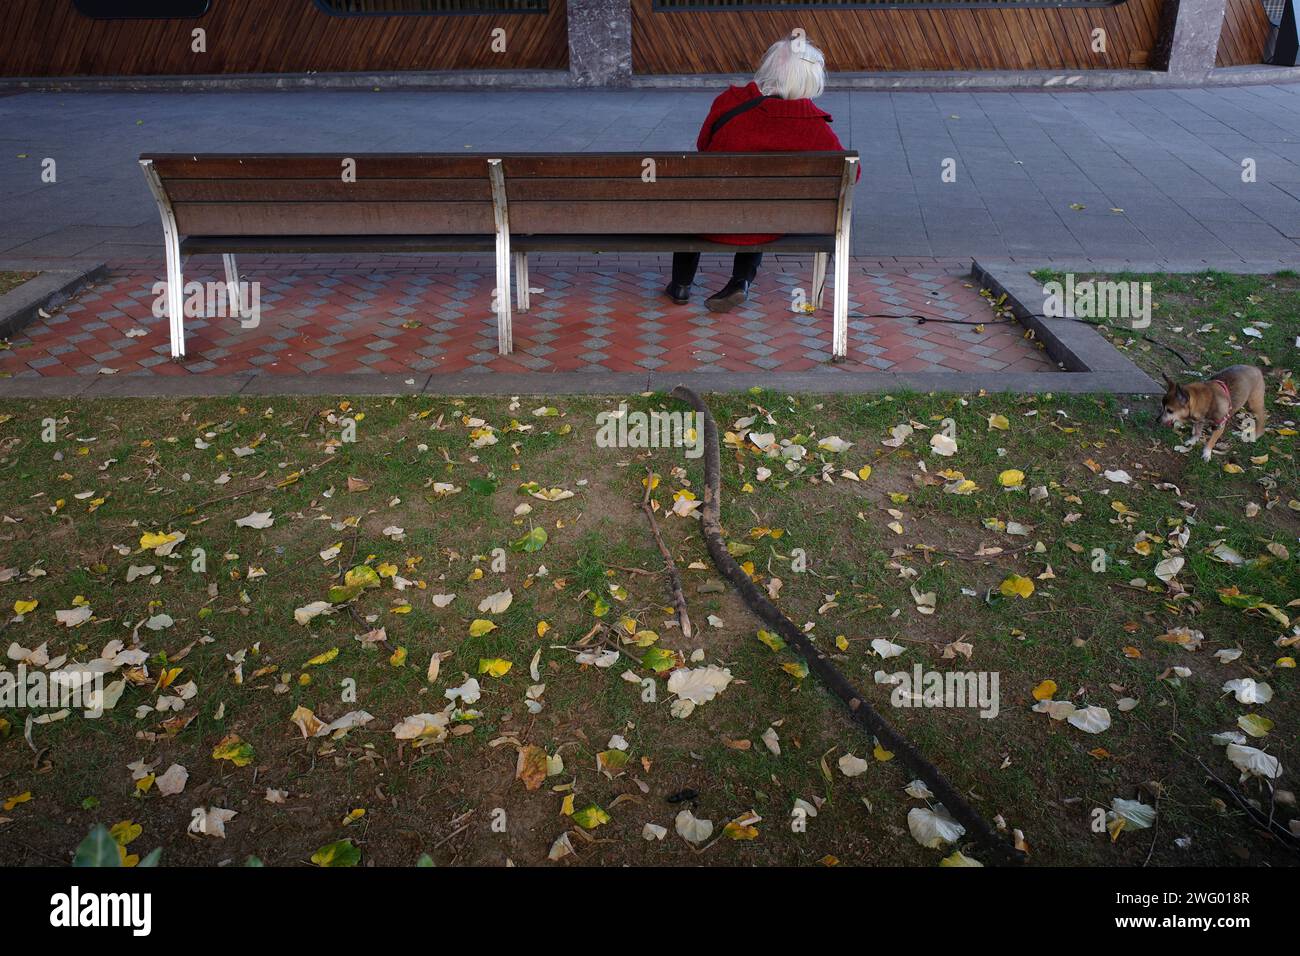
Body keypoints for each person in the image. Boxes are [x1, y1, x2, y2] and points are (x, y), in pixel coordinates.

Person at [664, 32, 849, 313]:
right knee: (764, 205)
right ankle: (741, 281)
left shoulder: (728, 102)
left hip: (706, 217)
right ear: (809, 79)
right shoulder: (813, 124)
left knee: (695, 200)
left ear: (769, 67)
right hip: (765, 222)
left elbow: (704, 145)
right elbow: (850, 176)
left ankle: (680, 285)